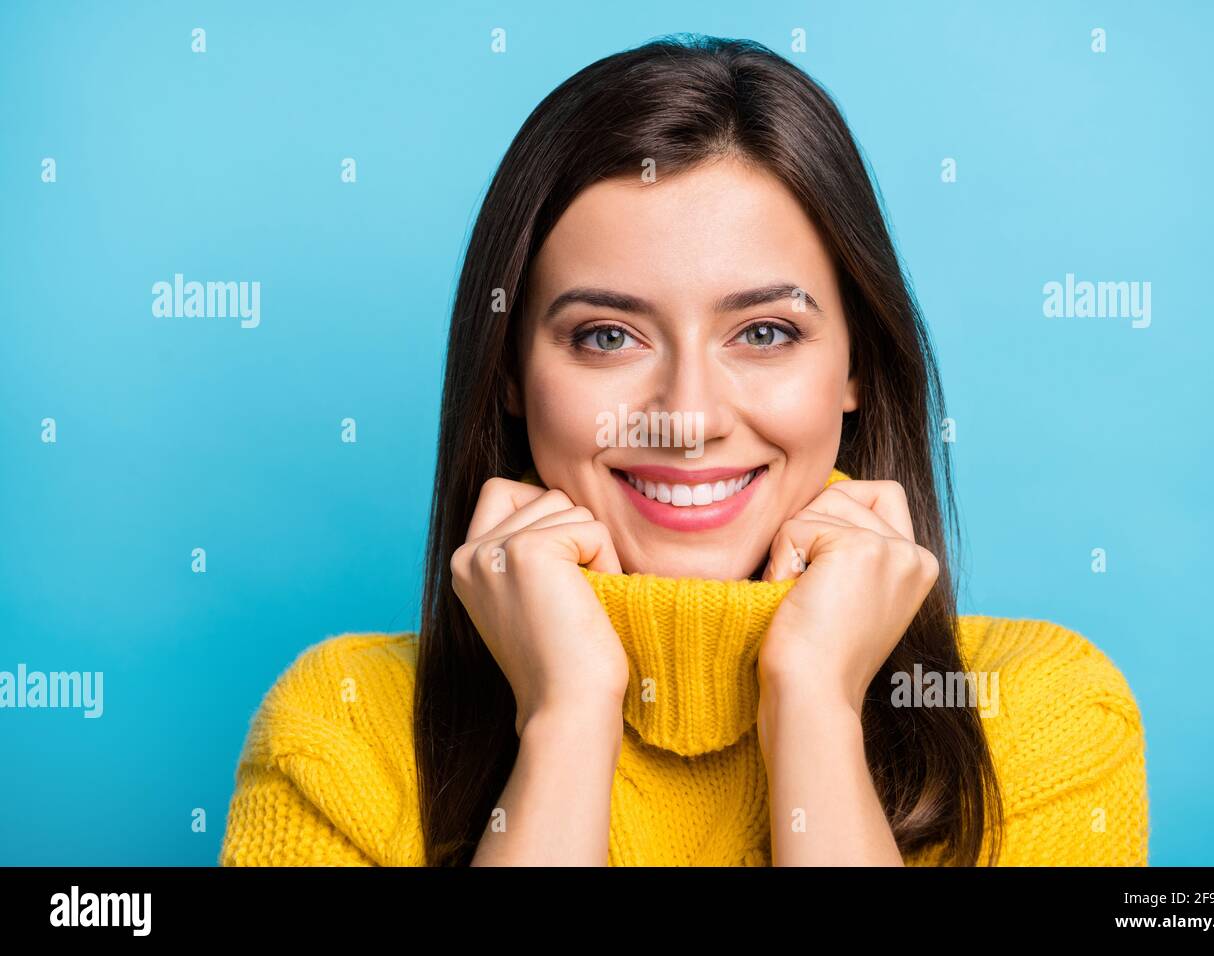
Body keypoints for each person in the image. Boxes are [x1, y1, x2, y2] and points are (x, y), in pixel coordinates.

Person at [219, 33, 1149, 867]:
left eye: (766, 333)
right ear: (509, 373)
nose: (688, 418)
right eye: (608, 337)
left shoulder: (1043, 717)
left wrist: (815, 704)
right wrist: (566, 714)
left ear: (857, 365)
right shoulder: (340, 729)